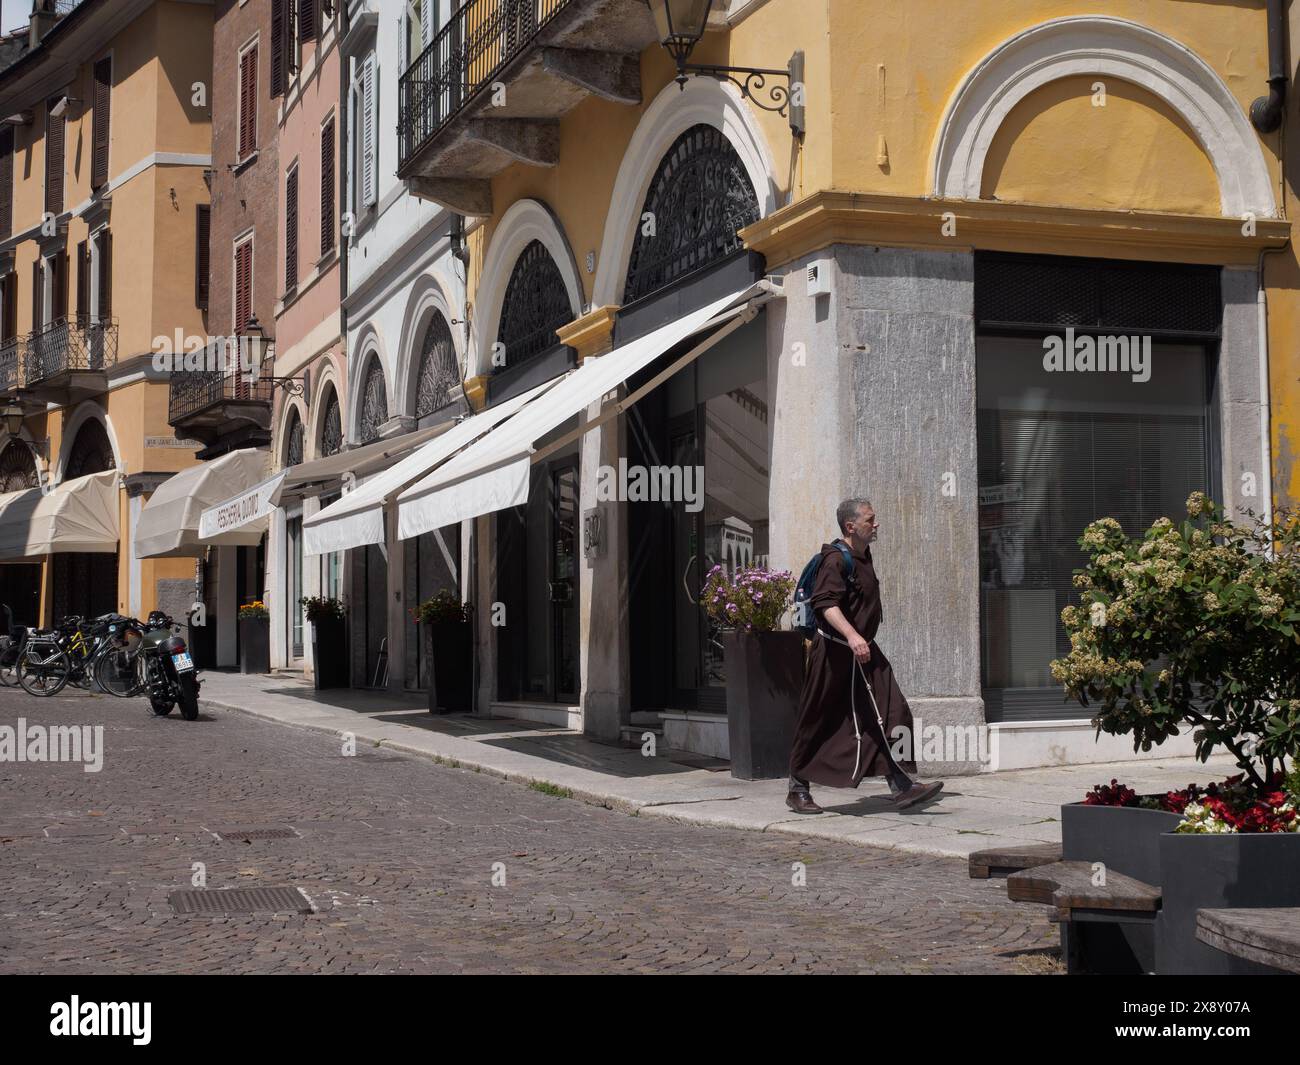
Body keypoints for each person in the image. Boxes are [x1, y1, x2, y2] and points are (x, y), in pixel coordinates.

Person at [786, 498, 944, 814]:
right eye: (870, 519)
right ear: (851, 526)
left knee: (894, 711)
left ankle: (902, 785)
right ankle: (797, 788)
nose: (876, 524)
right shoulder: (834, 560)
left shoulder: (863, 554)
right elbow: (826, 605)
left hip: (864, 652)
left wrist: (861, 639)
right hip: (834, 653)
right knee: (819, 720)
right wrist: (853, 635)